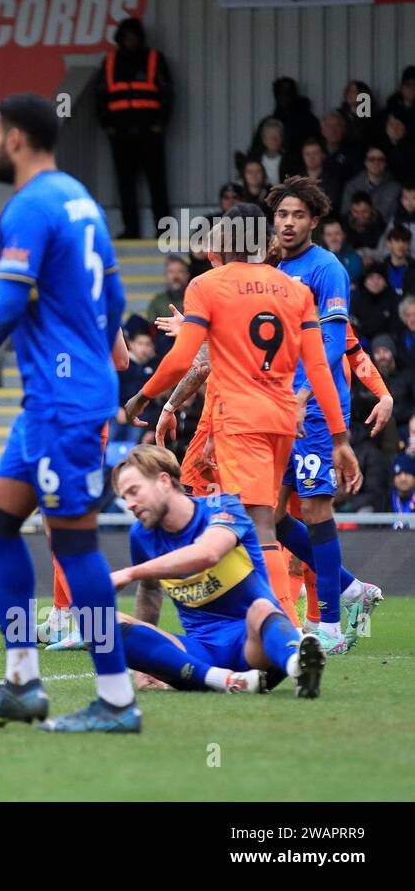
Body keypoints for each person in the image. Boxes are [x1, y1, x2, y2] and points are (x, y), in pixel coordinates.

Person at [0, 93, 137, 733]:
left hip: (63, 404)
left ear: (14, 139)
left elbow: (8, 307)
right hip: (52, 401)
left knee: (74, 545)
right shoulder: (82, 201)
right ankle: (21, 679)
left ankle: (118, 698)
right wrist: (110, 350)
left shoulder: (29, 206)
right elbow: (114, 296)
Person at [123, 202, 360, 627]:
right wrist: (341, 438)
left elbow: (181, 360)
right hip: (285, 419)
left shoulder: (207, 285)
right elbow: (321, 367)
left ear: (229, 241)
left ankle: (284, 630)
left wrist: (144, 396)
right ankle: (288, 611)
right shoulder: (294, 289)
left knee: (259, 525)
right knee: (267, 520)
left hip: (240, 421)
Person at [110, 446, 326, 697]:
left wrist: (130, 573)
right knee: (98, 625)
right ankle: (224, 680)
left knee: (262, 608)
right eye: (125, 497)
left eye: (134, 492)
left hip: (254, 646)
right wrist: (144, 664)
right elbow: (149, 593)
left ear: (164, 481)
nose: (129, 504)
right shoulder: (141, 535)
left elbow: (207, 553)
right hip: (200, 654)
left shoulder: (223, 507)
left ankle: (297, 666)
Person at [267, 178, 380, 652]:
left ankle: (330, 626)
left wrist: (301, 393)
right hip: (275, 406)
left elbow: (332, 344)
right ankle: (354, 589)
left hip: (313, 409)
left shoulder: (327, 268)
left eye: (297, 215)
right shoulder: (272, 268)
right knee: (269, 517)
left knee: (315, 511)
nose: (288, 223)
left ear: (314, 220)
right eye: (281, 216)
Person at [93, 17, 172, 238]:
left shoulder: (154, 59)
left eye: (134, 37)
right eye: (126, 37)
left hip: (150, 133)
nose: (130, 41)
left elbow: (167, 93)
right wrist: (107, 125)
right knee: (125, 185)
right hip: (120, 135)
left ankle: (163, 230)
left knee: (157, 182)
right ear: (120, 39)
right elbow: (99, 97)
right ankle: (131, 229)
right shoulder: (109, 62)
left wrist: (160, 124)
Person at [342, 147, 400, 222]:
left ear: (385, 163)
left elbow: (395, 217)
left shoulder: (395, 188)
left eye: (380, 159)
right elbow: (345, 214)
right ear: (365, 162)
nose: (376, 163)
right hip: (356, 230)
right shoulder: (351, 186)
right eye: (372, 159)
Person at [144, 254, 190, 324]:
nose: (176, 276)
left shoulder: (194, 299)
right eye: (171, 272)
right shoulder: (157, 301)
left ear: (187, 275)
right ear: (165, 275)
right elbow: (151, 325)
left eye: (180, 271)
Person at [319, 215, 362, 282]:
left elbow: (351, 278)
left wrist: (335, 254)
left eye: (337, 233)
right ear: (323, 237)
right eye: (329, 235)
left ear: (343, 235)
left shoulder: (353, 255)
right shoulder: (317, 256)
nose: (333, 238)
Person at [384, 224, 410, 295]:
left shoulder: (413, 268)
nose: (401, 245)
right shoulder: (380, 269)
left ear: (409, 245)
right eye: (396, 240)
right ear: (388, 243)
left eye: (405, 241)